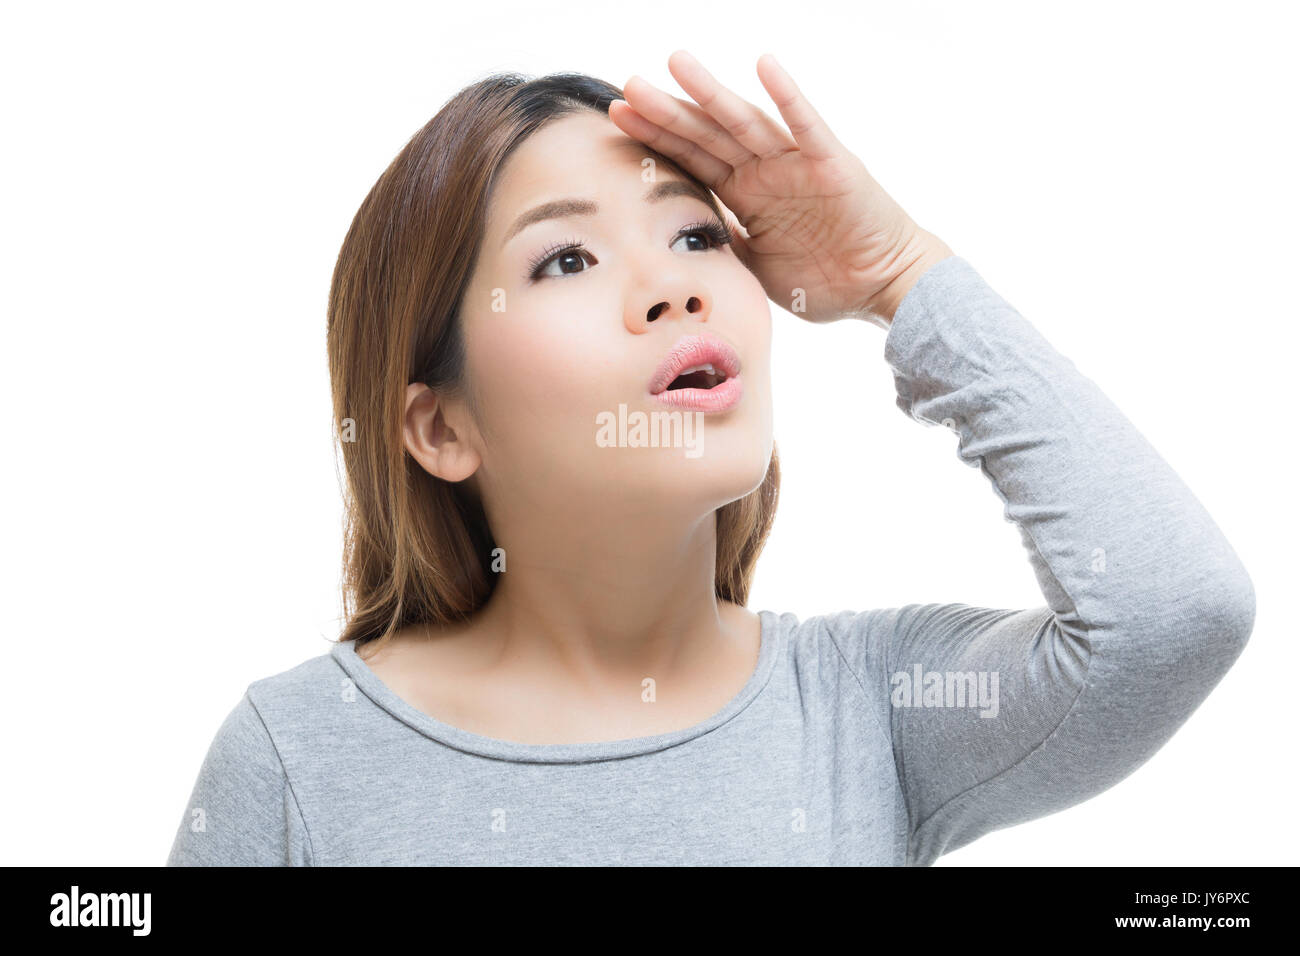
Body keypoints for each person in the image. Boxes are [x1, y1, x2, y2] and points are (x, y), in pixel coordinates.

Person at [166, 51, 1255, 866]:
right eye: (568, 258)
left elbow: (1173, 613)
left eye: (695, 234)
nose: (677, 286)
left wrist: (897, 273)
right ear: (441, 427)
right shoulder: (296, 759)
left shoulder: (869, 709)